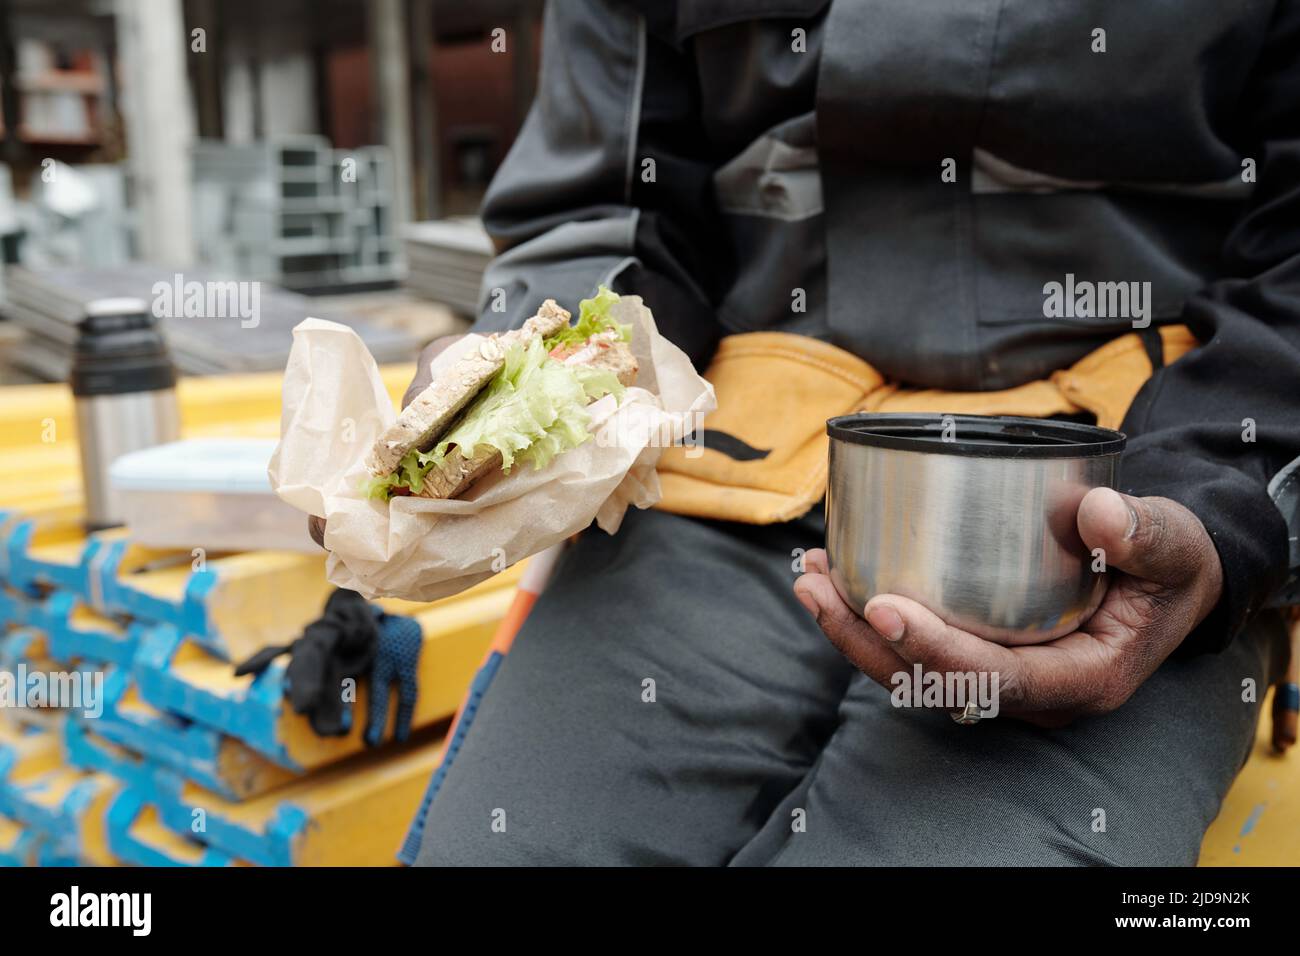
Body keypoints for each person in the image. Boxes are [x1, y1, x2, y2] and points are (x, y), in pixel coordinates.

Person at [330, 1, 1300, 865]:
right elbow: (608, 203)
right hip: (729, 474)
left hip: (1127, 496)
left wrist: (1220, 497)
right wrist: (528, 370)